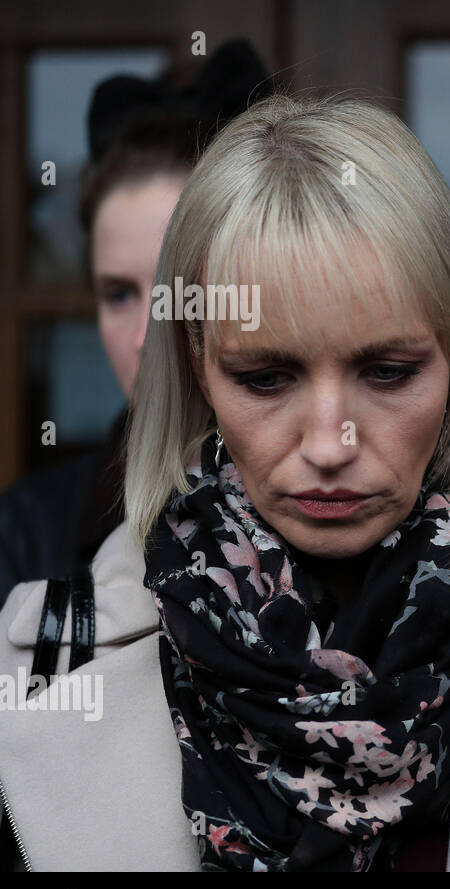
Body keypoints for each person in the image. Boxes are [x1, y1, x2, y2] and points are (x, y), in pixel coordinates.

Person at [0, 94, 450, 871]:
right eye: (266, 377)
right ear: (195, 374)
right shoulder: (48, 659)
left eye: (386, 371)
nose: (329, 442)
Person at [0, 39, 269, 602]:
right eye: (119, 294)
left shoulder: (349, 504)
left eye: (186, 288)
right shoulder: (25, 534)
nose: (149, 336)